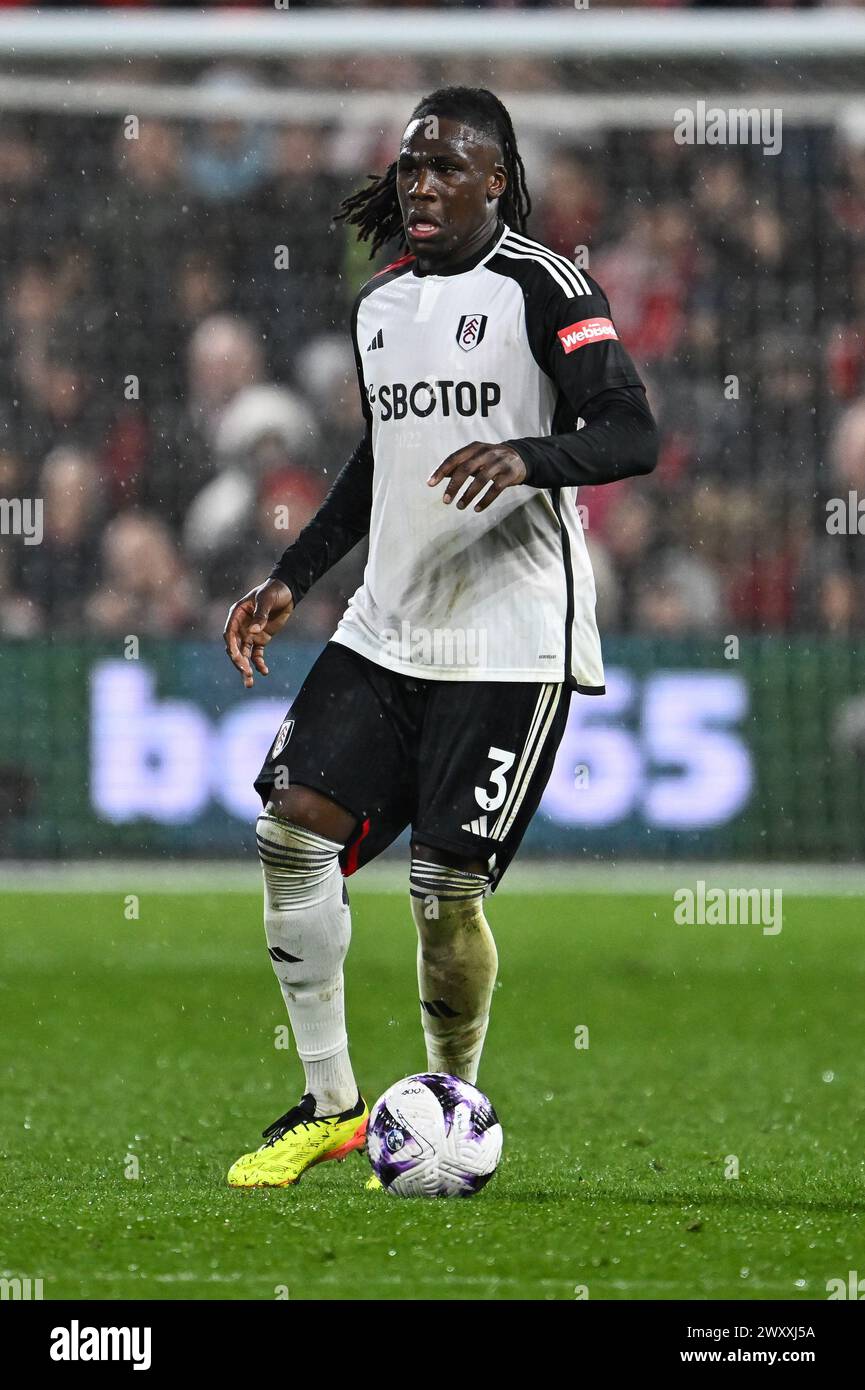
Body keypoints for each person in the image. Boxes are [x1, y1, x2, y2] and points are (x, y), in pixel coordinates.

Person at [222, 86, 658, 1190]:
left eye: (446, 168)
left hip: (511, 637)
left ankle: (446, 1103)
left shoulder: (545, 287)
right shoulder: (381, 306)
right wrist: (289, 576)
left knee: (443, 891)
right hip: (389, 626)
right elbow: (382, 464)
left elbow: (630, 430)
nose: (421, 185)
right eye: (410, 167)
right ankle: (328, 1102)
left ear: (496, 180)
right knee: (289, 831)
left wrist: (525, 456)